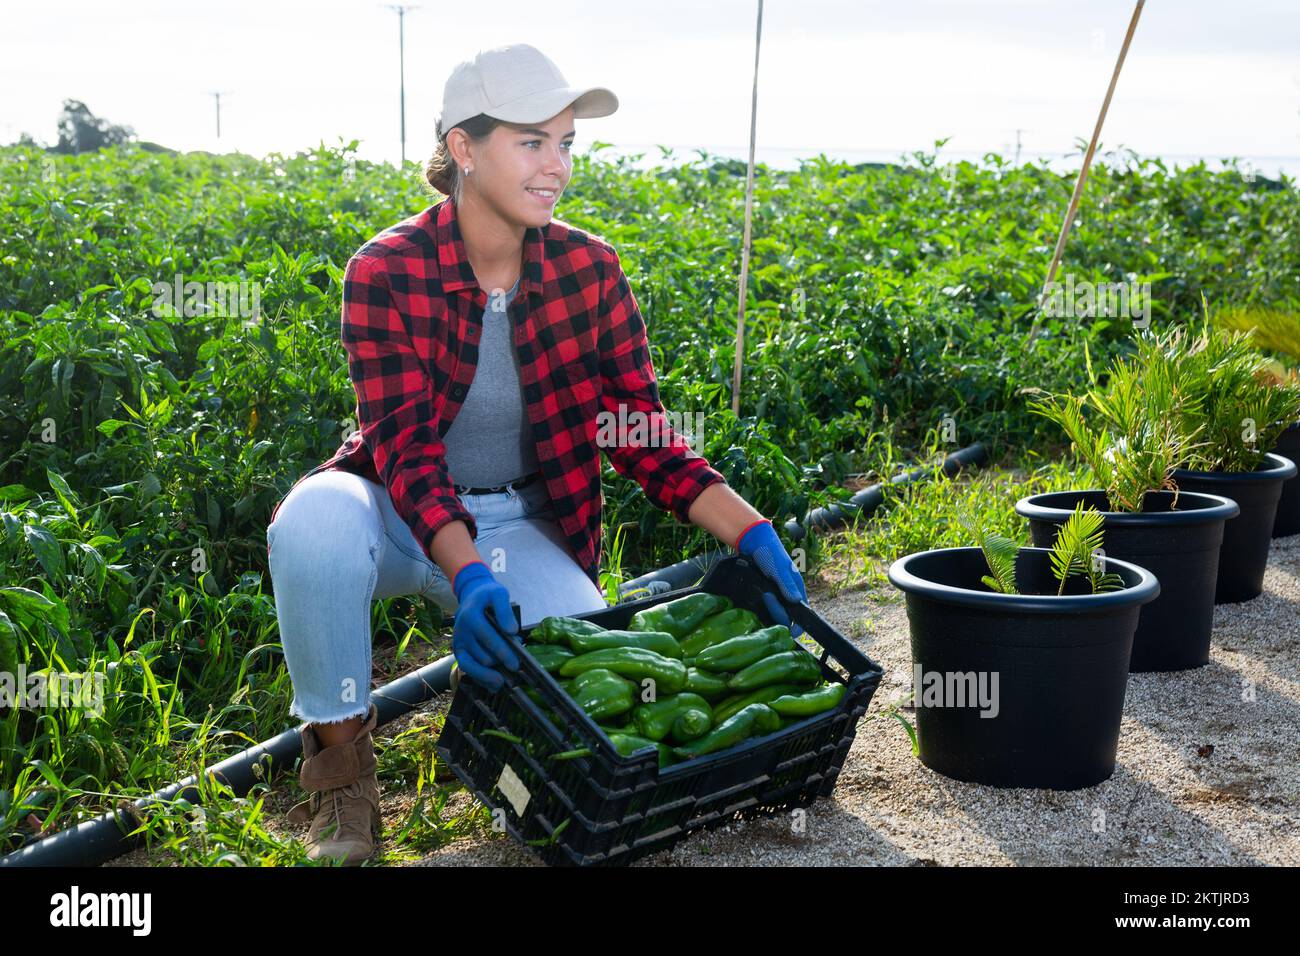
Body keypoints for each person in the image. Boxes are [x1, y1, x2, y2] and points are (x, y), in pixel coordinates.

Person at [264, 43, 807, 865]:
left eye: (566, 145)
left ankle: (497, 759)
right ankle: (342, 779)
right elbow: (405, 448)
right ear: (463, 148)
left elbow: (639, 430)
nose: (557, 167)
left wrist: (751, 530)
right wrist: (467, 571)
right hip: (396, 512)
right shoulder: (385, 271)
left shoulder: (590, 269)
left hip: (520, 521)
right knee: (312, 526)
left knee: (595, 693)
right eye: (532, 142)